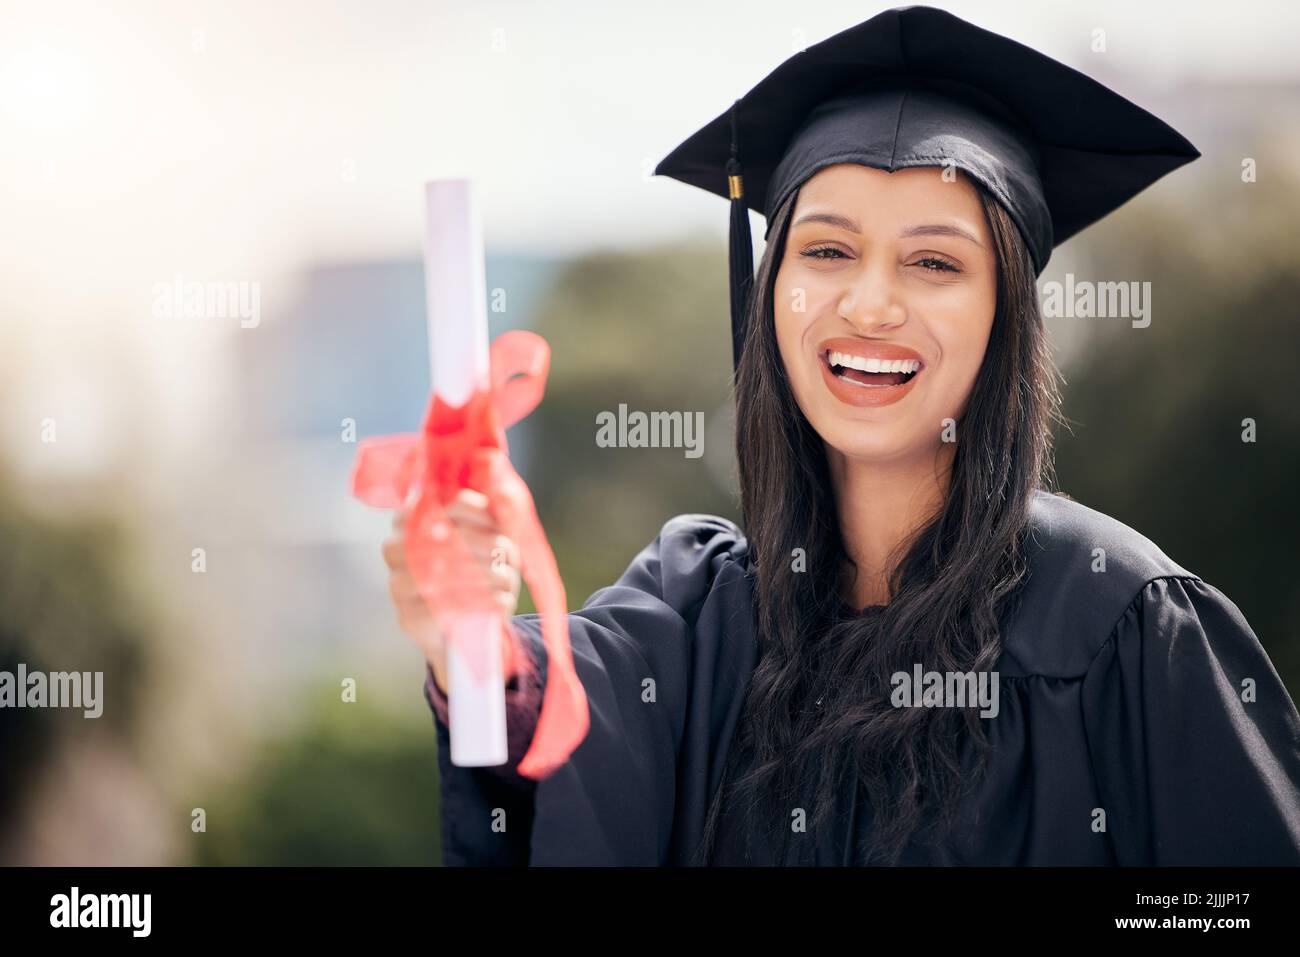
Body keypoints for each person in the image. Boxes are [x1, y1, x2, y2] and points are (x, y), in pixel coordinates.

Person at [384, 6, 1300, 865]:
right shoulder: (699, 616)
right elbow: (562, 717)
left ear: (1006, 316)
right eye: (825, 251)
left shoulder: (1121, 622)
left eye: (935, 262)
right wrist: (473, 640)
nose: (868, 303)